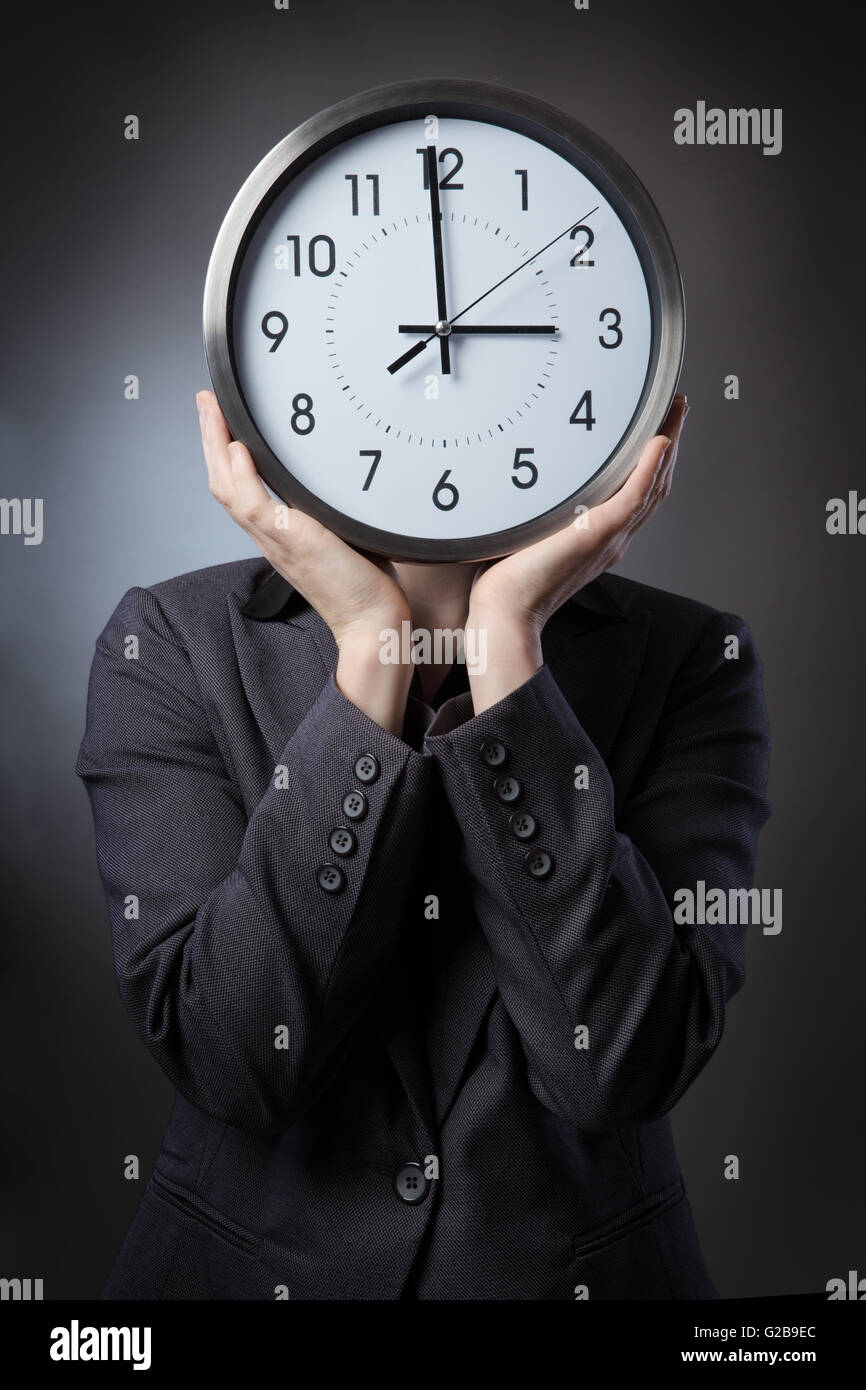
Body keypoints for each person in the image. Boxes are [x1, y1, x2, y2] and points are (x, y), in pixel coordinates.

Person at [75, 388, 771, 1300]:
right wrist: (373, 651)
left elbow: (622, 1065)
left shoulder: (694, 659)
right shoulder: (170, 644)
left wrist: (509, 647)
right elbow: (233, 1060)